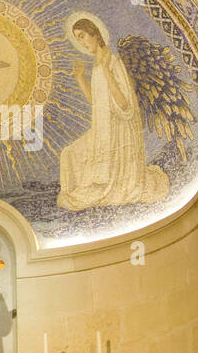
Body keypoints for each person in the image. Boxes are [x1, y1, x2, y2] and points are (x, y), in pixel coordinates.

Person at [58, 16, 168, 211]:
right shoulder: (98, 65)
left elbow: (124, 103)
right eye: (78, 39)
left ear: (95, 33)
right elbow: (97, 103)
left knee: (73, 157)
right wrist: (81, 78)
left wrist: (108, 73)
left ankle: (114, 183)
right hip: (103, 128)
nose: (83, 43)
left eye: (83, 36)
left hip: (117, 130)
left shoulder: (113, 62)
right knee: (68, 154)